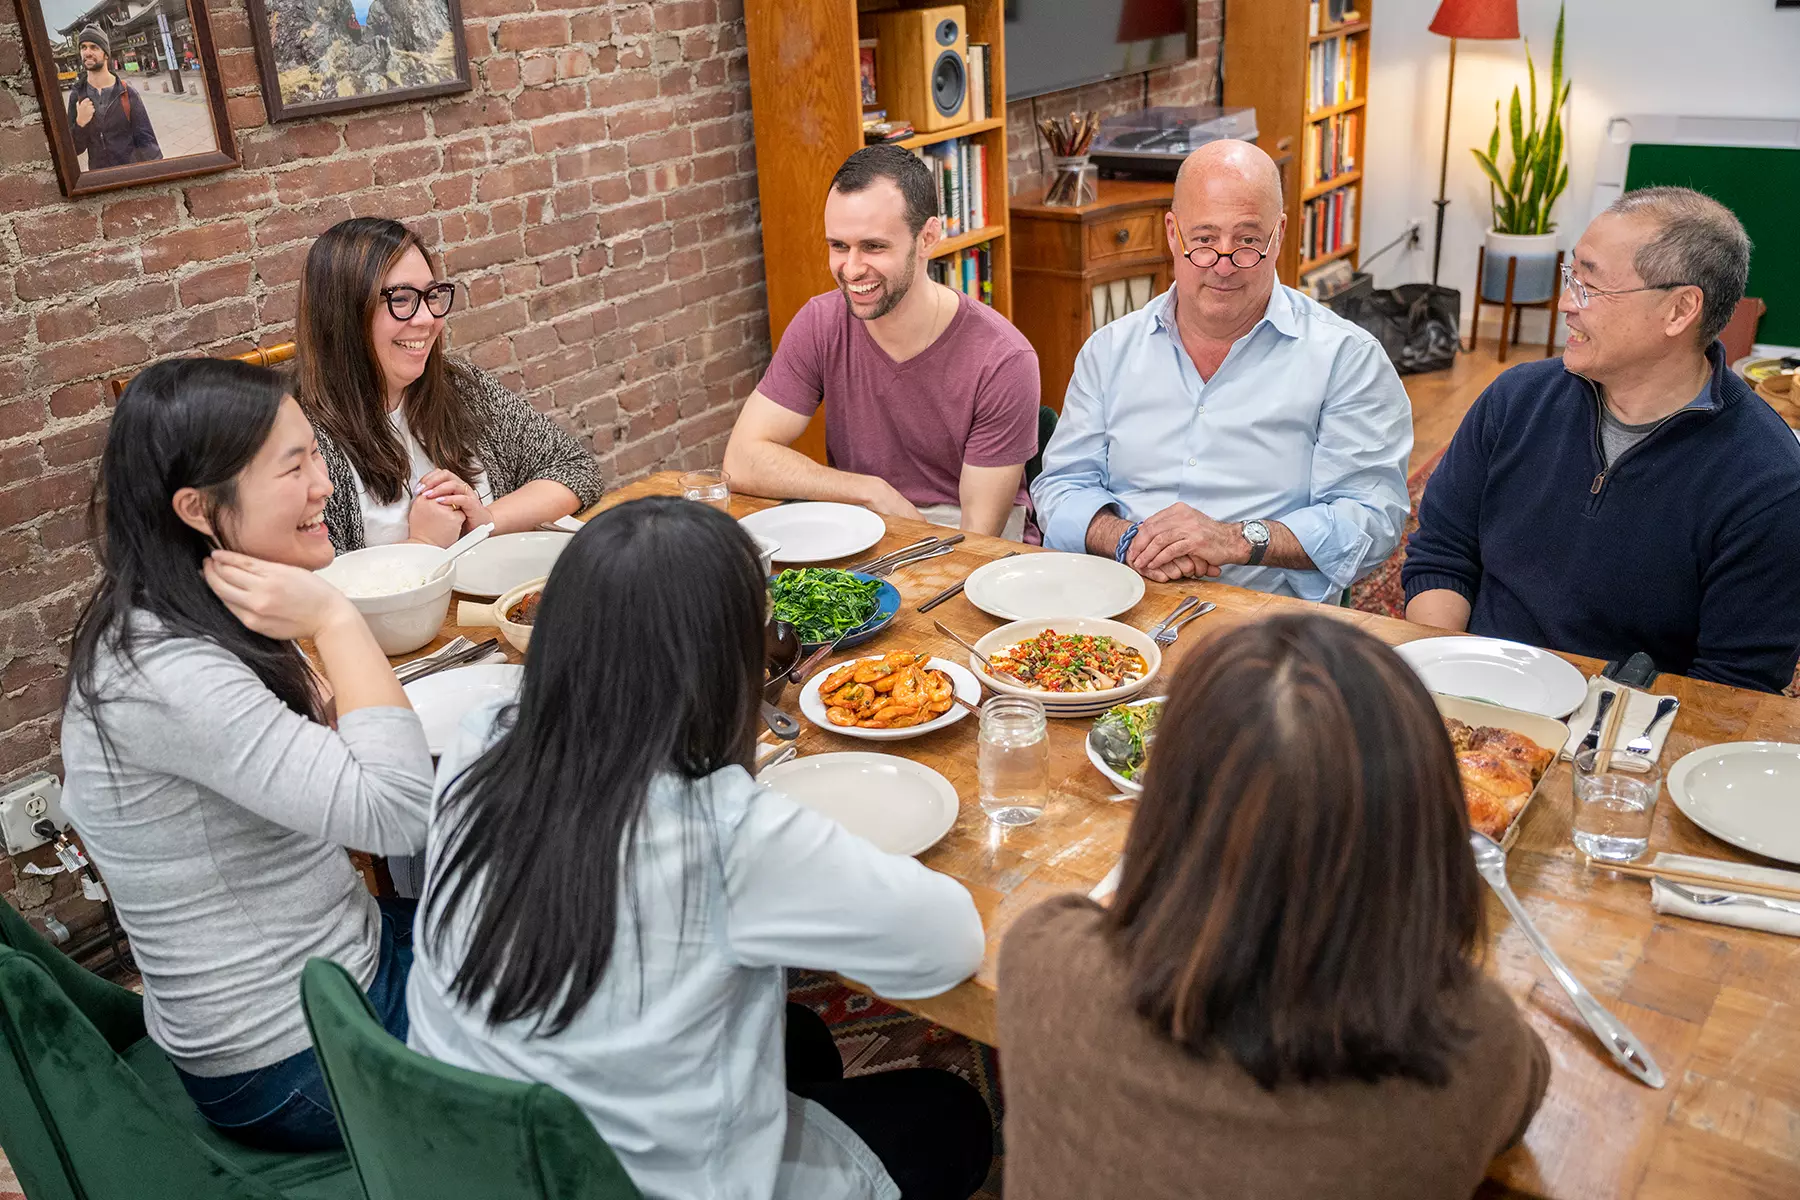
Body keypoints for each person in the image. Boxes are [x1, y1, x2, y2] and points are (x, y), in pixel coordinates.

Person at [407, 497, 994, 1200]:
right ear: (722, 668)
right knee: (948, 1115)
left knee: (796, 1033)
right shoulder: (726, 832)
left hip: (459, 1157)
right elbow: (948, 941)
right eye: (770, 639)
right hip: (619, 1183)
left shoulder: (481, 740)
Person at [998, 614, 1550, 1199]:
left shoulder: (1041, 955)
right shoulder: (1475, 1046)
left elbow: (1116, 913)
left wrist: (1165, 891)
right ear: (1420, 827)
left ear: (1165, 801)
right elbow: (1521, 1098)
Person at [60, 358, 434, 1151]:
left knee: (530, 920)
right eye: (292, 465)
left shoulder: (191, 607)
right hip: (291, 1060)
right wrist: (334, 618)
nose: (323, 484)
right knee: (586, 983)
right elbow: (398, 811)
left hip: (328, 972)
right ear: (197, 508)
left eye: (313, 454)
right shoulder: (164, 672)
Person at [1404, 187, 1800, 693]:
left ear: (1680, 311)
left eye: (1591, 285)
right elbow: (1443, 553)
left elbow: (1735, 685)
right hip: (1477, 683)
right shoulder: (1516, 399)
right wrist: (1448, 680)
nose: (1566, 303)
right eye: (1573, 276)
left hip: (1626, 737)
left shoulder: (1767, 481)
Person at [1030, 140, 1411, 599]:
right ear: (1173, 233)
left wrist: (1235, 540)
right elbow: (1062, 485)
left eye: (1248, 240)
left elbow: (1372, 515)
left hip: (1263, 621)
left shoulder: (1347, 359)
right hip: (1116, 600)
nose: (1224, 265)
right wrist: (1130, 541)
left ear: (1280, 234)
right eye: (1204, 240)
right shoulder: (1109, 351)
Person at [722, 145, 1041, 539]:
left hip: (968, 546)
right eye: (839, 246)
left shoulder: (1004, 359)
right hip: (865, 522)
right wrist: (867, 491)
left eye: (873, 246)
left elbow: (976, 541)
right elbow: (741, 460)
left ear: (927, 238)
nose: (852, 269)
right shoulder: (820, 323)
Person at [294, 217, 605, 553]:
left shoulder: (461, 388)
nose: (427, 319)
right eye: (401, 299)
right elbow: (319, 589)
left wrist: (484, 521)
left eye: (431, 295)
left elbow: (575, 468)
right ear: (343, 314)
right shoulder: (300, 438)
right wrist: (424, 544)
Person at [65, 25, 162, 169]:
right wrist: (80, 123)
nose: (87, 52)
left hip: (129, 172)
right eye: (83, 47)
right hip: (100, 176)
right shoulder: (77, 96)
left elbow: (147, 142)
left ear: (106, 54)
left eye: (94, 47)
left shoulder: (127, 93)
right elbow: (74, 149)